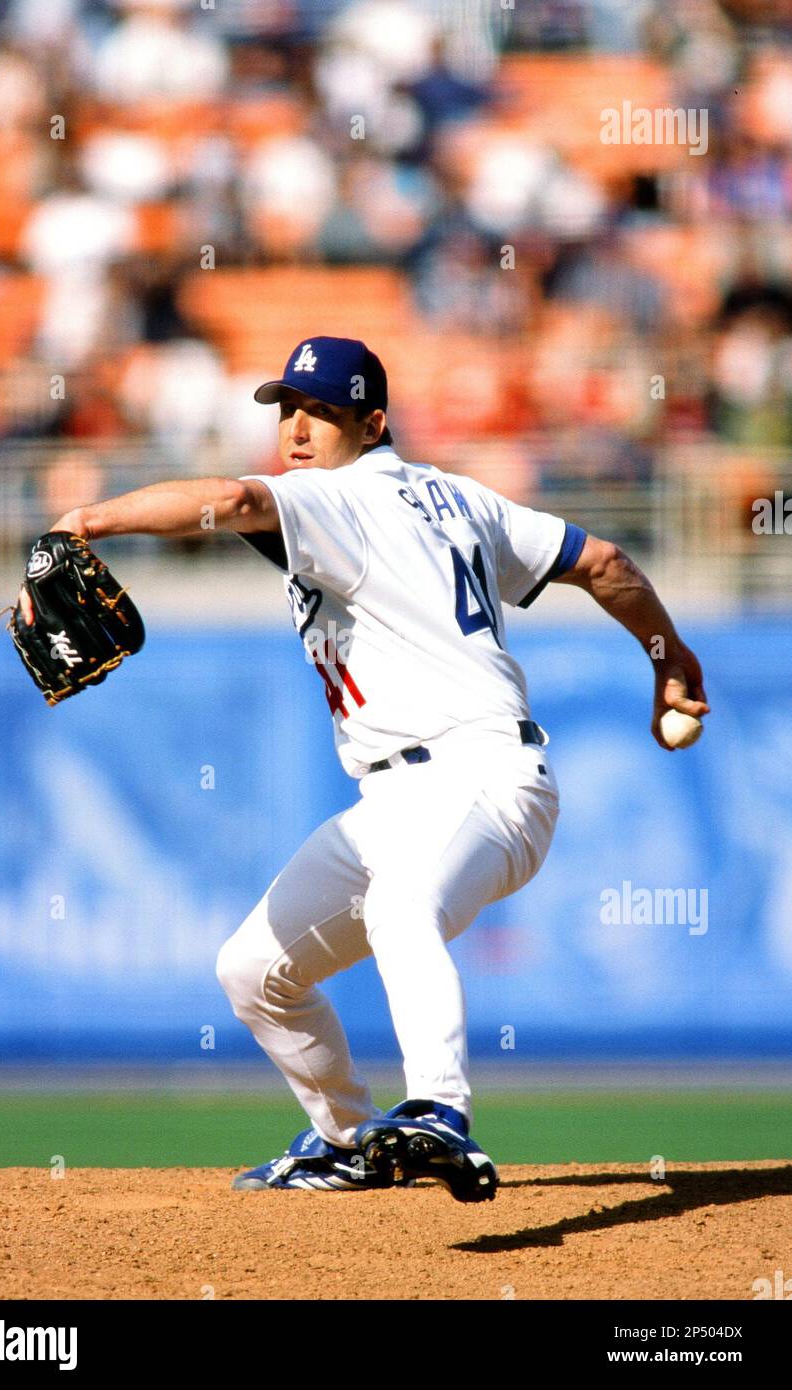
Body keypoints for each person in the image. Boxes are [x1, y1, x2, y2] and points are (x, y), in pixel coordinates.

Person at [48, 336, 709, 1202]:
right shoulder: (459, 499)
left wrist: (87, 521)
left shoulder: (339, 497)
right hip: (397, 799)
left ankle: (439, 1109)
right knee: (253, 970)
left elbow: (228, 497)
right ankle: (350, 1140)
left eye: (320, 411)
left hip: (484, 777)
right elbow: (605, 564)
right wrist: (670, 657)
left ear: (372, 423)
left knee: (403, 906)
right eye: (286, 408)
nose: (295, 428)